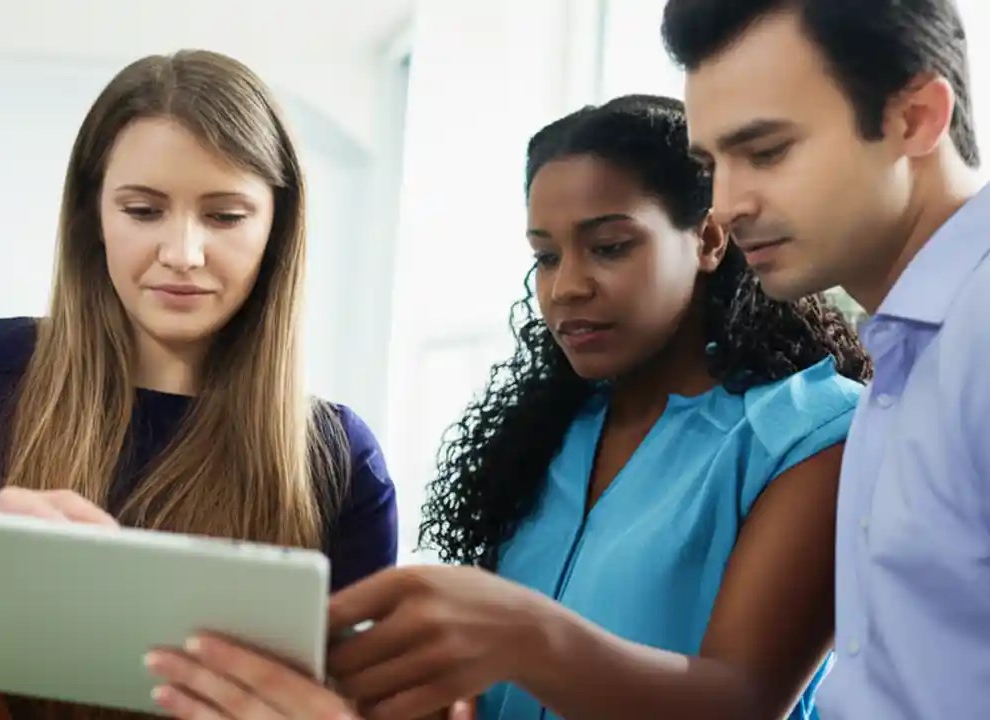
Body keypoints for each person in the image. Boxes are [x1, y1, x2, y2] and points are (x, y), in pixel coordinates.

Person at [144, 95, 871, 720]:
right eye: (546, 256)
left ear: (708, 239)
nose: (566, 287)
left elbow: (744, 700)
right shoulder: (549, 435)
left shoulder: (810, 434)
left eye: (610, 246)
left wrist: (523, 634)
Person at [0, 50, 399, 720]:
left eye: (225, 217)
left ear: (278, 227)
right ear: (92, 215)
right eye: (143, 210)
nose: (182, 253)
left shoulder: (338, 466)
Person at [661, 1, 990, 717]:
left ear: (915, 119)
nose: (725, 205)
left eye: (767, 151)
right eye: (711, 165)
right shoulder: (908, 348)